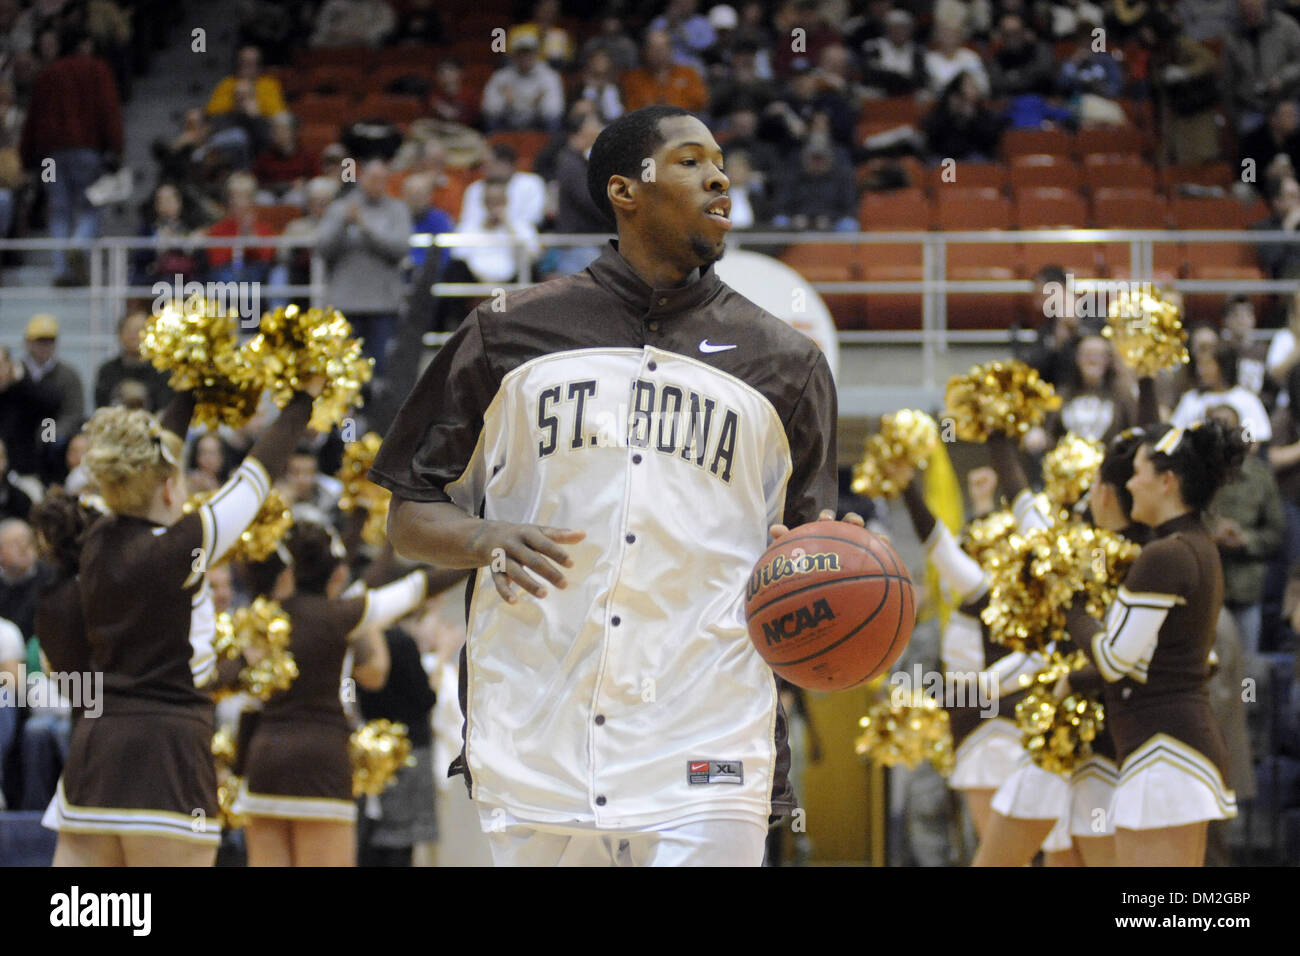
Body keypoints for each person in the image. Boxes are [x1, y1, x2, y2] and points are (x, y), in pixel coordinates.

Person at [370, 105, 842, 867]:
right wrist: (483, 535)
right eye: (691, 161)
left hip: (708, 725)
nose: (719, 175)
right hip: (535, 728)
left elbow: (819, 542)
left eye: (721, 162)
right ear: (626, 190)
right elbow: (408, 515)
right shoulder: (503, 333)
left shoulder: (787, 363)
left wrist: (810, 565)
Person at [43, 376, 325, 866]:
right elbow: (255, 477)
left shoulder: (92, 540)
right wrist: (303, 399)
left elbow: (152, 463)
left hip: (94, 760)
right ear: (170, 485)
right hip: (169, 760)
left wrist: (188, 389)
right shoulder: (181, 546)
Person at [1065, 420, 1246, 865]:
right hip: (1175, 751)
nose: (1129, 484)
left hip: (1165, 756)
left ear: (1167, 482)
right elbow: (1144, 660)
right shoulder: (1194, 544)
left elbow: (1113, 659)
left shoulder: (1164, 555)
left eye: (1138, 473)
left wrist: (1070, 608)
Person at [234, 525, 439, 866]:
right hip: (322, 765)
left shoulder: (264, 618)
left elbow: (245, 700)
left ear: (289, 571)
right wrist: (480, 555)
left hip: (265, 762)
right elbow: (415, 589)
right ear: (339, 573)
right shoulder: (343, 615)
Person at [18, 26, 123, 285]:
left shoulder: (47, 73)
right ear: (84, 44)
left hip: (49, 157)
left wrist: (25, 154)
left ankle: (60, 270)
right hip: (85, 151)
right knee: (91, 206)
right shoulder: (97, 69)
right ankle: (79, 244)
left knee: (58, 211)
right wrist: (116, 150)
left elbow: (33, 117)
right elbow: (109, 110)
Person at [316, 159, 413, 374]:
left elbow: (400, 248)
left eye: (382, 180)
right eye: (373, 179)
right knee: (343, 369)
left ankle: (379, 408)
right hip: (345, 302)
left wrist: (365, 227)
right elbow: (322, 249)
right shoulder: (340, 209)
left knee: (381, 370)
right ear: (361, 178)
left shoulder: (397, 210)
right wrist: (343, 224)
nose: (377, 184)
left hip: (383, 305)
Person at [1206, 403, 1284, 655]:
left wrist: (1245, 539)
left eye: (1229, 427)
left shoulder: (1260, 477)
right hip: (1204, 585)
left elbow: (1276, 532)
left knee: (1246, 668)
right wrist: (1211, 534)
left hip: (1246, 586)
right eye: (1215, 428)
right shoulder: (1194, 476)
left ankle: (1247, 698)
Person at [481, 32, 565, 133]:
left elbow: (554, 110)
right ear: (513, 55)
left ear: (537, 54)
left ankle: (552, 147)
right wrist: (504, 102)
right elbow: (489, 108)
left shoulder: (550, 76)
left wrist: (536, 104)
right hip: (508, 123)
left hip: (537, 124)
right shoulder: (501, 76)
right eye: (521, 53)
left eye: (529, 52)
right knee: (491, 115)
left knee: (552, 117)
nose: (525, 57)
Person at [94, 312, 173, 414]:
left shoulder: (162, 370)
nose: (134, 336)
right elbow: (101, 407)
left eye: (139, 330)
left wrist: (144, 396)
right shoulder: (107, 371)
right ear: (120, 334)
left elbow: (166, 408)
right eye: (129, 330)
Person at [622, 29, 709, 114]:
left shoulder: (688, 73)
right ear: (644, 51)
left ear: (671, 50)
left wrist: (671, 108)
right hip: (646, 125)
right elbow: (631, 108)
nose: (659, 53)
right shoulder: (632, 78)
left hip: (685, 122)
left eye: (664, 48)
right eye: (654, 48)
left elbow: (701, 102)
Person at [206, 45, 286, 121]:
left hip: (261, 127)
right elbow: (211, 111)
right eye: (242, 62)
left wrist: (255, 105)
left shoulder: (269, 84)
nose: (245, 67)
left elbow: (279, 113)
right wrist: (235, 105)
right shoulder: (228, 83)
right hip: (230, 127)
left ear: (259, 67)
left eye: (250, 64)